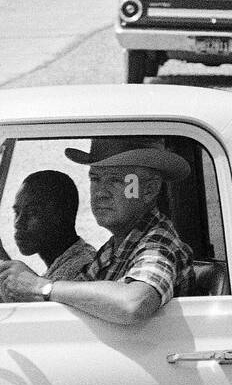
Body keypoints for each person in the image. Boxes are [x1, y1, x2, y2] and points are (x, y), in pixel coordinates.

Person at [0, 138, 195, 324]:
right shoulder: (113, 250)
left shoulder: (158, 243)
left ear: (149, 190)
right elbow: (73, 299)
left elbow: (134, 303)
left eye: (117, 180)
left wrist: (40, 287)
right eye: (95, 179)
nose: (101, 193)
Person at [0, 171, 96, 284]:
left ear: (63, 215)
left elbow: (35, 295)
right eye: (17, 212)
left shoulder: (83, 268)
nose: (18, 223)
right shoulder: (61, 266)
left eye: (32, 212)